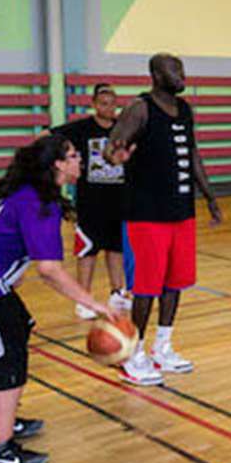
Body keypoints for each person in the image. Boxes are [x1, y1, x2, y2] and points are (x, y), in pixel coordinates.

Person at [0, 135, 118, 463]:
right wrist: (95, 304)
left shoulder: (37, 196)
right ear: (58, 164)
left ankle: (3, 421)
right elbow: (49, 270)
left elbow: (15, 247)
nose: (80, 161)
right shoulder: (37, 202)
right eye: (74, 156)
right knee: (5, 364)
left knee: (17, 334)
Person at [104, 52, 223, 386]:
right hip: (146, 214)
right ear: (156, 75)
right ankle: (134, 354)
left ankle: (163, 347)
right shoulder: (139, 108)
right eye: (174, 70)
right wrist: (118, 153)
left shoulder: (185, 109)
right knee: (146, 286)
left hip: (181, 211)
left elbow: (194, 154)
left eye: (182, 68)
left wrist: (210, 197)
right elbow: (110, 149)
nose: (182, 74)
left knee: (175, 282)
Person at [47, 83, 131, 319]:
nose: (109, 108)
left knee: (116, 249)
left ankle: (118, 292)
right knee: (88, 250)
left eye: (113, 104)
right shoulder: (81, 129)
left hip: (119, 200)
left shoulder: (123, 129)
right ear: (94, 105)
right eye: (103, 104)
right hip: (90, 202)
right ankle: (83, 299)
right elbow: (47, 136)